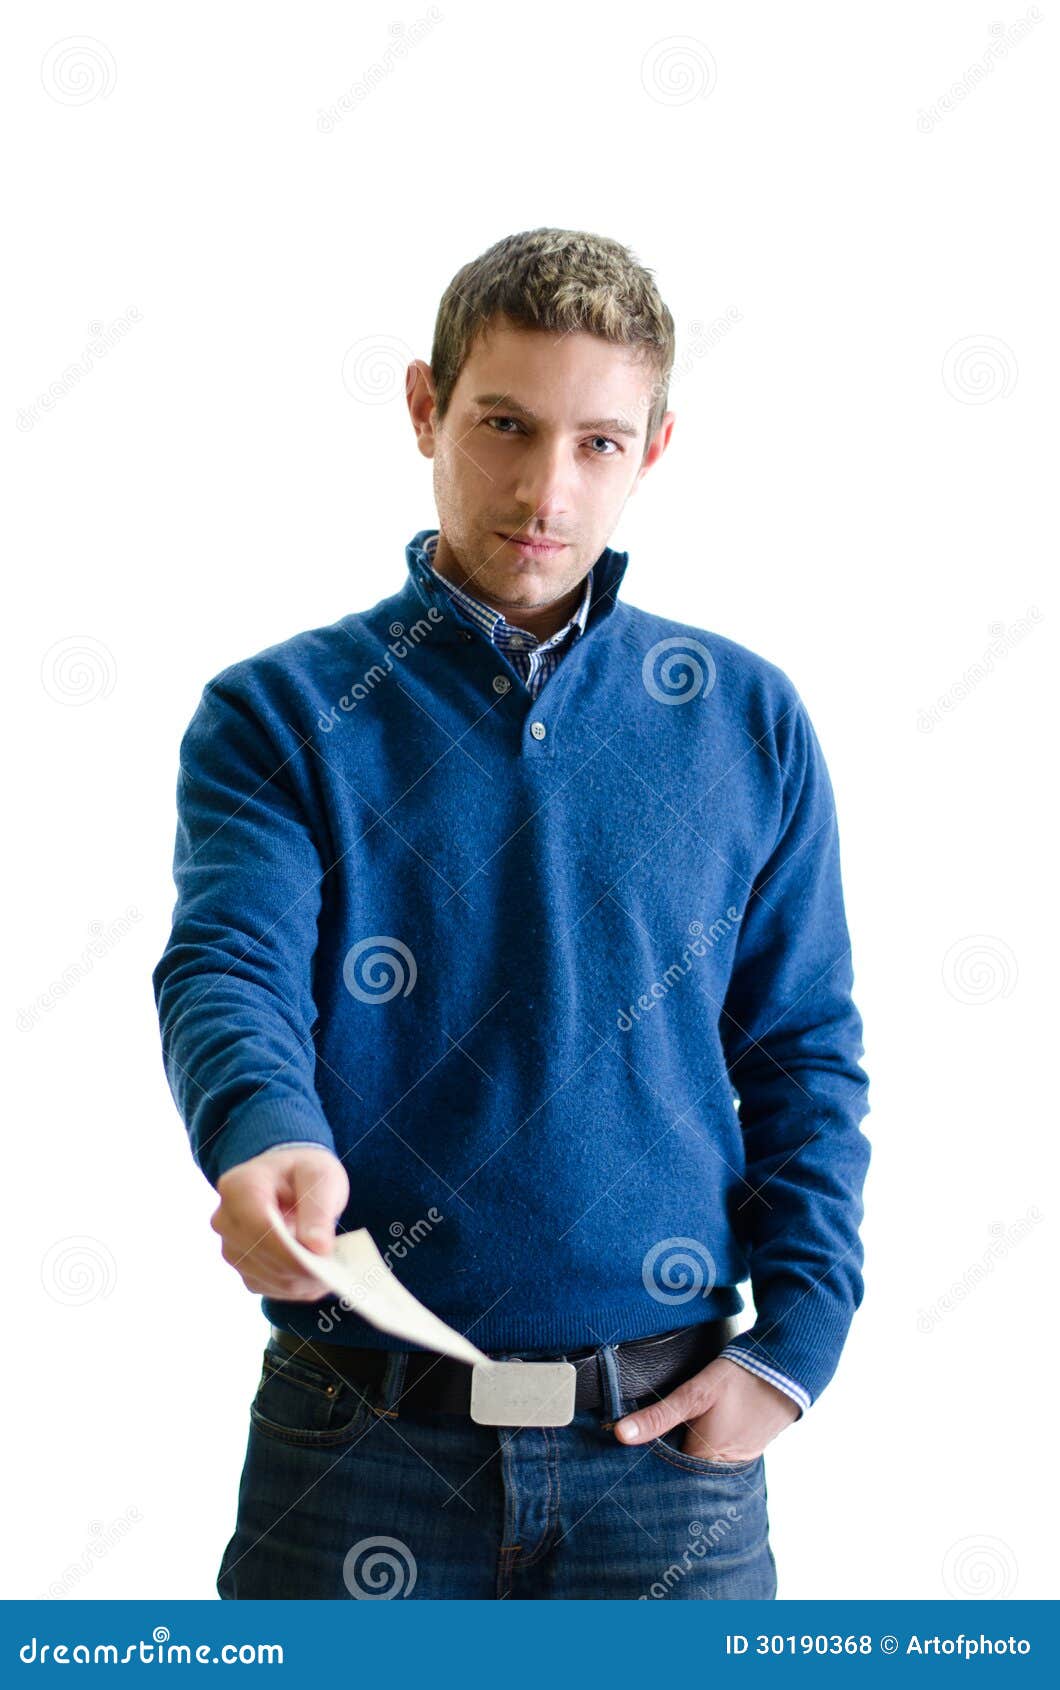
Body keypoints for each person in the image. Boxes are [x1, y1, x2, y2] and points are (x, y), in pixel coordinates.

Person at [152, 227, 870, 1601]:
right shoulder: (281, 715)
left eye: (600, 442)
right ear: (426, 408)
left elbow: (803, 1050)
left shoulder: (747, 718)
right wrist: (264, 1133)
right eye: (505, 425)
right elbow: (229, 967)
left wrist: (797, 1348)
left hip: (663, 1464)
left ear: (655, 449)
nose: (547, 489)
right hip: (353, 1439)